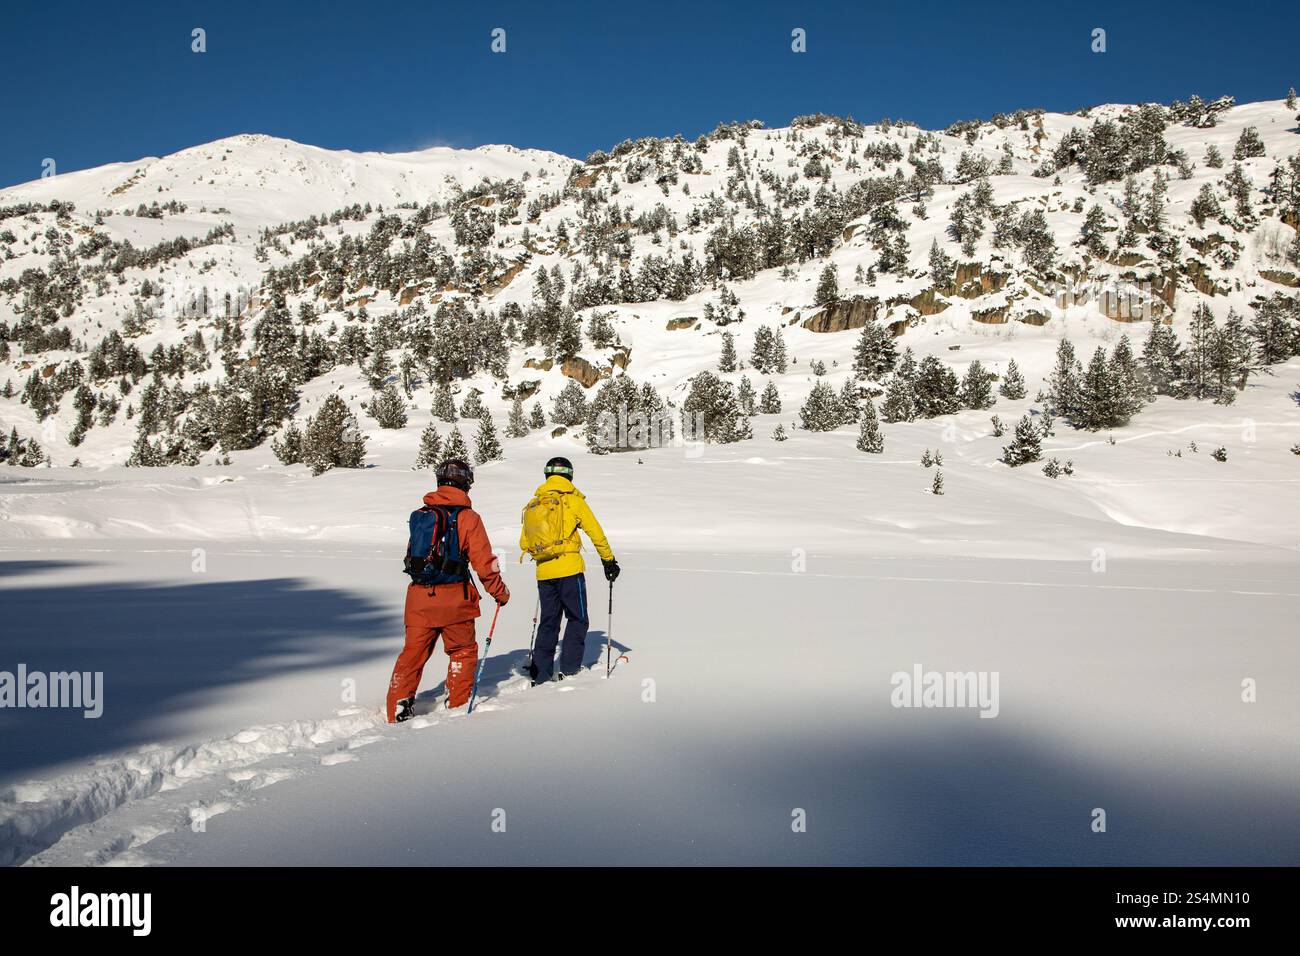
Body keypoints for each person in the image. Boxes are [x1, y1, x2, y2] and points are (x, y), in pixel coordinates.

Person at [387, 458, 509, 723]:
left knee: (412, 655)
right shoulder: (468, 518)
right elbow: (484, 562)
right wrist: (499, 592)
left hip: (419, 598)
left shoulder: (421, 515)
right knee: (462, 652)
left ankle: (398, 706)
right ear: (466, 483)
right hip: (456, 600)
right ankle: (456, 707)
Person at [519, 456, 619, 684]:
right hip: (570, 570)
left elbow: (524, 543)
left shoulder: (535, 502)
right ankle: (570, 669)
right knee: (578, 618)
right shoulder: (573, 500)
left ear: (547, 475)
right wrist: (608, 560)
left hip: (544, 573)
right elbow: (595, 532)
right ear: (569, 476)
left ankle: (540, 673)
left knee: (548, 621)